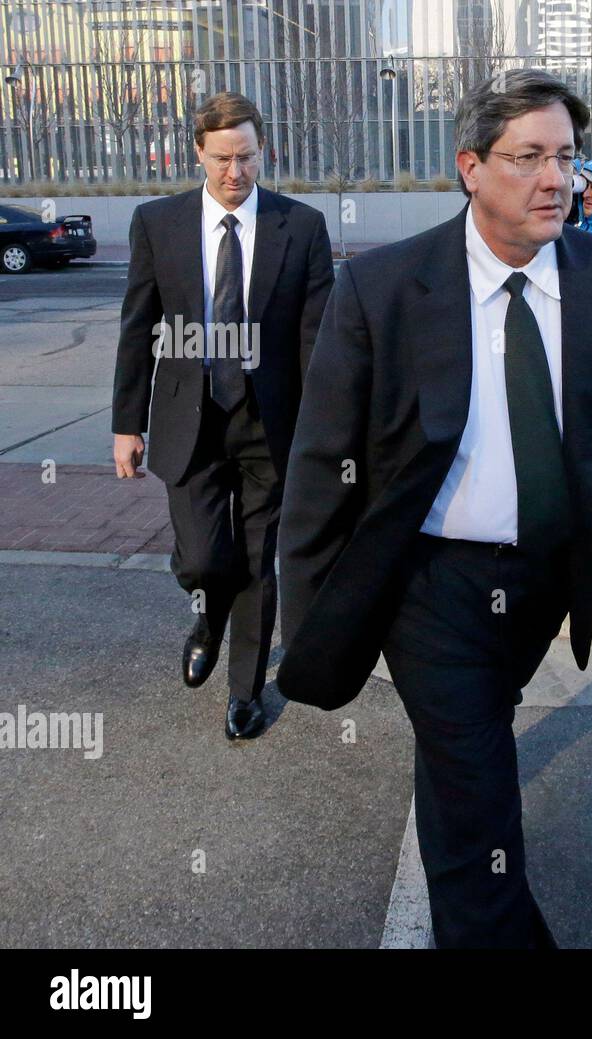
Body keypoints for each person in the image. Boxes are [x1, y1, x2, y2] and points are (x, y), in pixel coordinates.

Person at [275, 69, 592, 948]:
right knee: (480, 801)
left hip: (551, 580)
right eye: (528, 158)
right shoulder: (384, 289)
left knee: (463, 762)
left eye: (565, 156)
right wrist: (312, 614)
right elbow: (325, 465)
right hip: (431, 587)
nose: (556, 178)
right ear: (471, 166)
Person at [111, 92, 334, 740]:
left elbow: (317, 339)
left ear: (264, 151)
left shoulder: (303, 227)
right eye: (221, 160)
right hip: (192, 418)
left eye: (247, 157)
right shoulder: (159, 223)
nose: (235, 173)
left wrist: (326, 431)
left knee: (259, 558)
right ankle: (207, 618)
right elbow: (138, 326)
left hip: (272, 423)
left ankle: (243, 692)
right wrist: (127, 423)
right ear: (198, 154)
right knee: (209, 559)